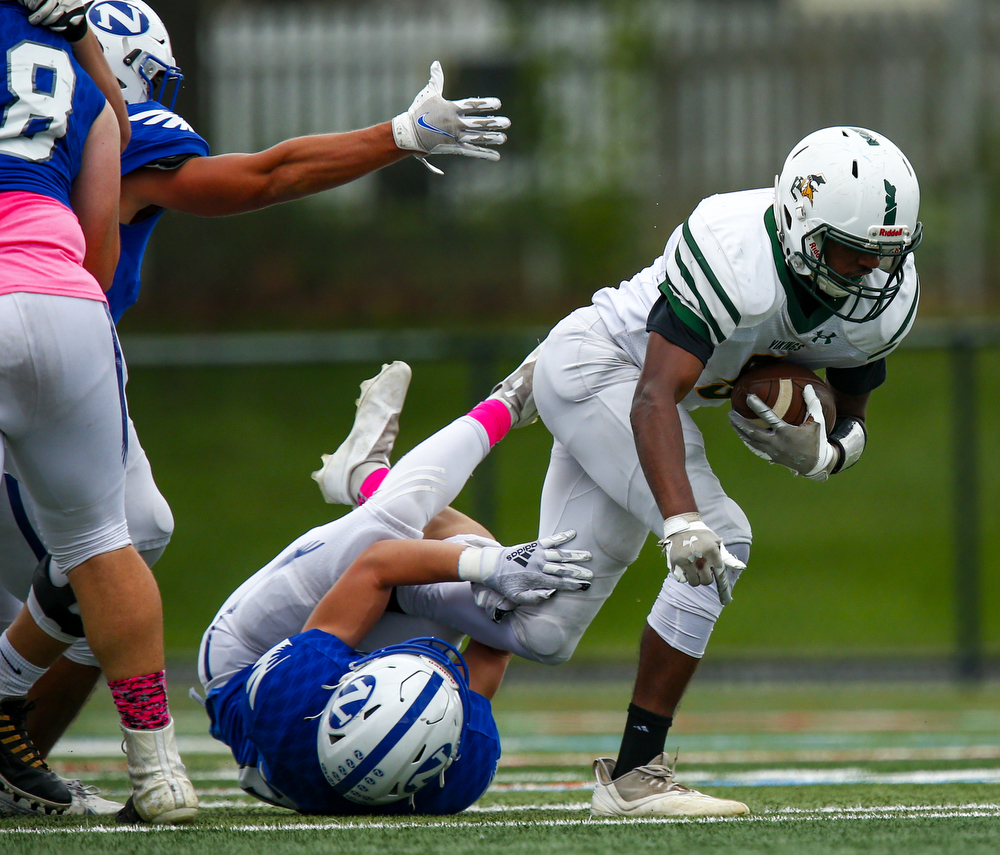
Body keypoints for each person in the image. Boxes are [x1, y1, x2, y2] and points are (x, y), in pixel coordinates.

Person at [0, 0, 511, 814]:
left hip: (46, 341)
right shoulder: (89, 105)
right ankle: (25, 740)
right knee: (102, 553)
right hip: (52, 331)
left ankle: (16, 750)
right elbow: (260, 176)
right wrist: (396, 135)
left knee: (112, 550)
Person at [356, 126, 922, 817]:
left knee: (543, 629)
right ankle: (635, 773)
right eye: (851, 253)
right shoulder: (733, 244)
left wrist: (827, 452)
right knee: (722, 537)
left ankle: (383, 535)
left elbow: (851, 413)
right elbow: (653, 393)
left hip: (632, 401)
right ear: (802, 222)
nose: (869, 274)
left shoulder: (879, 300)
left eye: (884, 257)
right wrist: (682, 521)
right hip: (599, 367)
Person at [199, 361, 593, 813]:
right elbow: (495, 641)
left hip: (246, 662)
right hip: (314, 712)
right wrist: (493, 569)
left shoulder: (292, 693)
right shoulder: (457, 775)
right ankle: (366, 478)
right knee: (526, 621)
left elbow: (376, 566)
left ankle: (508, 401)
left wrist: (490, 564)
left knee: (387, 525)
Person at [0, 0, 199, 825]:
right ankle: (158, 771)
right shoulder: (89, 89)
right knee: (107, 543)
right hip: (66, 300)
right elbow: (96, 244)